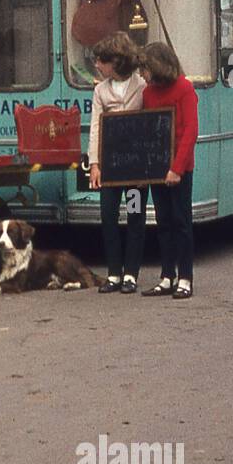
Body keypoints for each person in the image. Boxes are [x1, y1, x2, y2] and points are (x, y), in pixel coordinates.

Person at [87, 32, 148, 294]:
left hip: (134, 167)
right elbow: (95, 127)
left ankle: (131, 273)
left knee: (135, 215)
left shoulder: (142, 85)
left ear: (117, 61)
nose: (97, 65)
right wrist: (95, 164)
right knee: (108, 215)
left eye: (102, 61)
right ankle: (114, 272)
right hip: (111, 165)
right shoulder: (100, 90)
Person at [138, 42, 198, 300]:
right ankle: (167, 275)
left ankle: (185, 277)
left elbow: (189, 132)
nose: (142, 73)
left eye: (145, 68)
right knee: (163, 223)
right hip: (157, 167)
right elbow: (146, 131)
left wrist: (176, 169)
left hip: (179, 168)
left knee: (181, 222)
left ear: (157, 66)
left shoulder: (185, 88)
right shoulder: (149, 93)